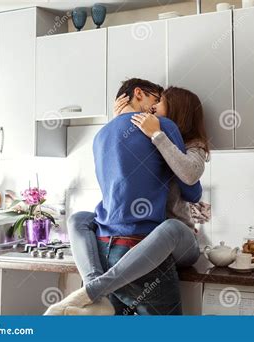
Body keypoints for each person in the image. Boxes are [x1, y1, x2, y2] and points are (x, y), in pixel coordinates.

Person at [45, 79, 209, 315]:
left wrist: (139, 130)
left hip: (128, 245)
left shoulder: (161, 132)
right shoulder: (157, 128)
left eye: (160, 102)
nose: (153, 107)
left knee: (171, 228)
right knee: (79, 218)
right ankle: (94, 290)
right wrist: (126, 124)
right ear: (139, 94)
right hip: (145, 241)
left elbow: (192, 187)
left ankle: (92, 289)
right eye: (155, 98)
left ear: (177, 109)